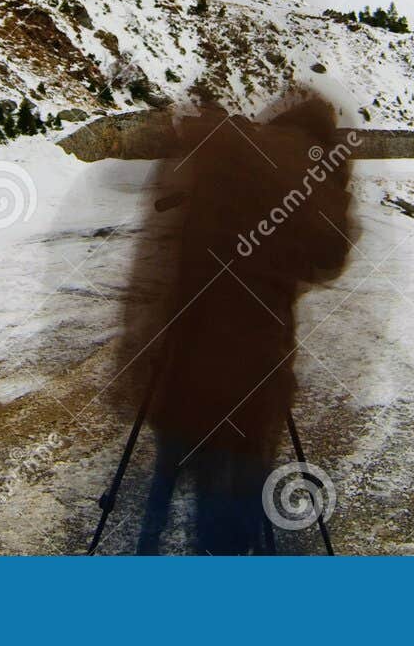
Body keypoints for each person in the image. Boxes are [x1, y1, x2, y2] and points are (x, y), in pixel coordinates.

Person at [116, 92, 354, 554]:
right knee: (233, 498)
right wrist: (336, 182)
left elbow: (169, 232)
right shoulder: (307, 175)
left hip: (181, 351)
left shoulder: (232, 151)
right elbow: (328, 257)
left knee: (167, 473)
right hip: (252, 370)